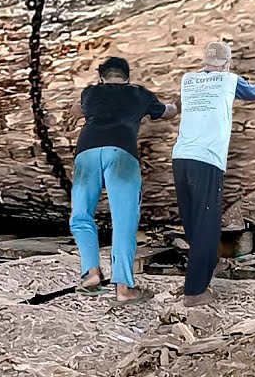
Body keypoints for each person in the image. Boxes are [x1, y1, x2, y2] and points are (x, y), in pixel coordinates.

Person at [172, 42, 255, 307]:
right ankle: (195, 292)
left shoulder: (188, 80)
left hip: (181, 158)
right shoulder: (228, 80)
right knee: (207, 226)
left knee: (192, 223)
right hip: (207, 160)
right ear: (228, 63)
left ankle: (203, 270)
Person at [70, 57, 177, 304]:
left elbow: (79, 108)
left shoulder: (91, 92)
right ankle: (124, 288)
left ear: (101, 77)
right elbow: (167, 112)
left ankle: (91, 272)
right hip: (121, 154)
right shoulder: (139, 93)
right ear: (128, 77)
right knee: (124, 221)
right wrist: (177, 105)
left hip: (87, 152)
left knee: (82, 215)